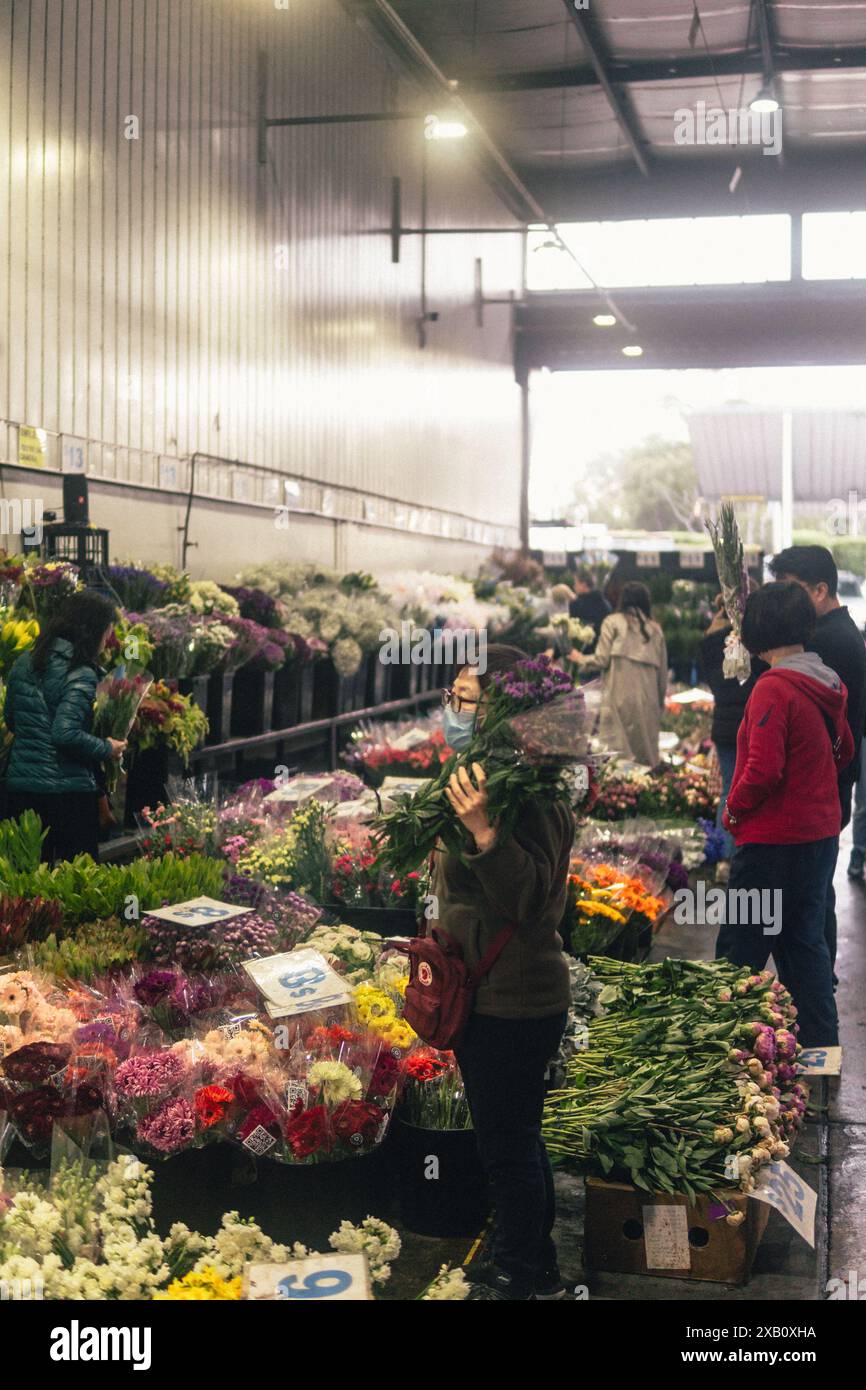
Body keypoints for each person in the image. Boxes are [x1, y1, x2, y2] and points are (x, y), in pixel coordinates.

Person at [434, 644, 574, 1301]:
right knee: (515, 1137)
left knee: (507, 1146)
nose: (457, 713)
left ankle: (522, 1274)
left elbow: (533, 899)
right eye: (454, 699)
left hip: (516, 1001)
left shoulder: (532, 792)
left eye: (470, 700)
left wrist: (484, 834)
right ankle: (531, 1259)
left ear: (506, 708)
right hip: (493, 994)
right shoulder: (485, 776)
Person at [715, 583, 853, 1047]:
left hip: (771, 843)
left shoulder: (773, 687)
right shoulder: (827, 681)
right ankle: (821, 1060)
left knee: (740, 947)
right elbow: (845, 749)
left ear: (756, 632)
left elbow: (763, 769)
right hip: (818, 838)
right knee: (804, 944)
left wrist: (733, 809)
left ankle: (721, 1054)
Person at [768, 546, 866, 966]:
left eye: (791, 591)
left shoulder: (828, 641)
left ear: (821, 589)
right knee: (814, 896)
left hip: (820, 789)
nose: (784, 602)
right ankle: (817, 983)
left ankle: (818, 986)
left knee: (809, 904)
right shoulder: (839, 633)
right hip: (829, 787)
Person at [3, 590, 126, 862]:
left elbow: (12, 719)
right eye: (107, 632)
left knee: (30, 889)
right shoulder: (79, 671)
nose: (108, 641)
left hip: (22, 792)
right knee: (77, 885)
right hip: (68, 795)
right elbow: (65, 734)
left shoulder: (25, 662)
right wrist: (107, 748)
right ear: (92, 630)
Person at [699, 586, 765, 877]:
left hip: (723, 725)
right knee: (752, 788)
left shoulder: (710, 639)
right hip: (750, 724)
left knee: (729, 788)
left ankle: (724, 858)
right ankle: (745, 854)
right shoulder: (752, 641)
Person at [573, 581, 668, 767]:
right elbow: (662, 675)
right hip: (647, 702)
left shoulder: (612, 622)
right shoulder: (656, 630)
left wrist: (579, 659)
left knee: (615, 759)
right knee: (645, 759)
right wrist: (659, 704)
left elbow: (601, 660)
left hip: (617, 699)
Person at [569, 565, 611, 641]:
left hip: (581, 648)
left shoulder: (576, 605)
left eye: (576, 583)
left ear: (584, 585)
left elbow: (573, 630)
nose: (574, 586)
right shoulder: (605, 603)